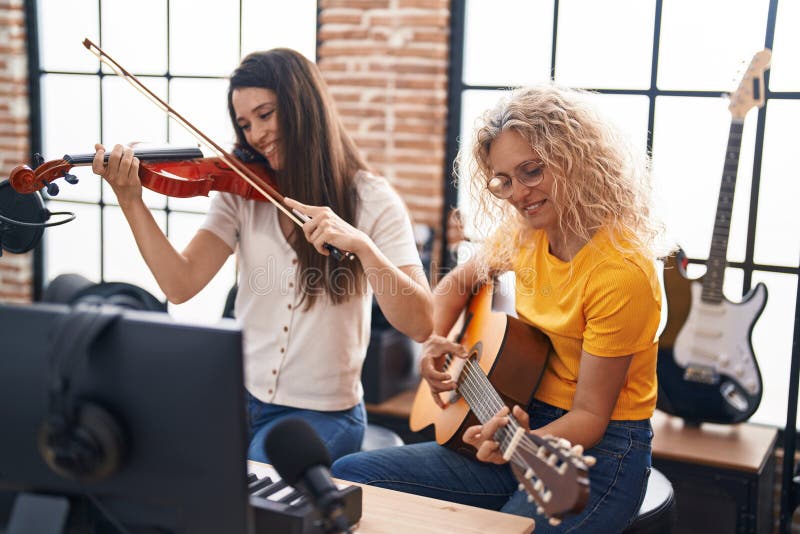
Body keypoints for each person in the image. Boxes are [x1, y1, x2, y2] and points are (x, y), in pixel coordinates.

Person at [331, 84, 666, 532]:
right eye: (503, 180)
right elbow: (457, 284)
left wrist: (517, 443)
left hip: (598, 455)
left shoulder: (621, 273)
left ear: (576, 158)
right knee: (352, 477)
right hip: (518, 413)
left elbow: (589, 417)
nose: (518, 193)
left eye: (531, 171)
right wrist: (438, 341)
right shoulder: (524, 234)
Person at [91, 48, 433, 462]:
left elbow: (421, 322)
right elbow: (179, 285)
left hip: (322, 416)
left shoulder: (372, 199)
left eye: (265, 114)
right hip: (236, 398)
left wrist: (363, 246)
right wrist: (131, 200)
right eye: (244, 124)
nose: (254, 134)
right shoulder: (240, 191)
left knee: (253, 502)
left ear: (303, 106)